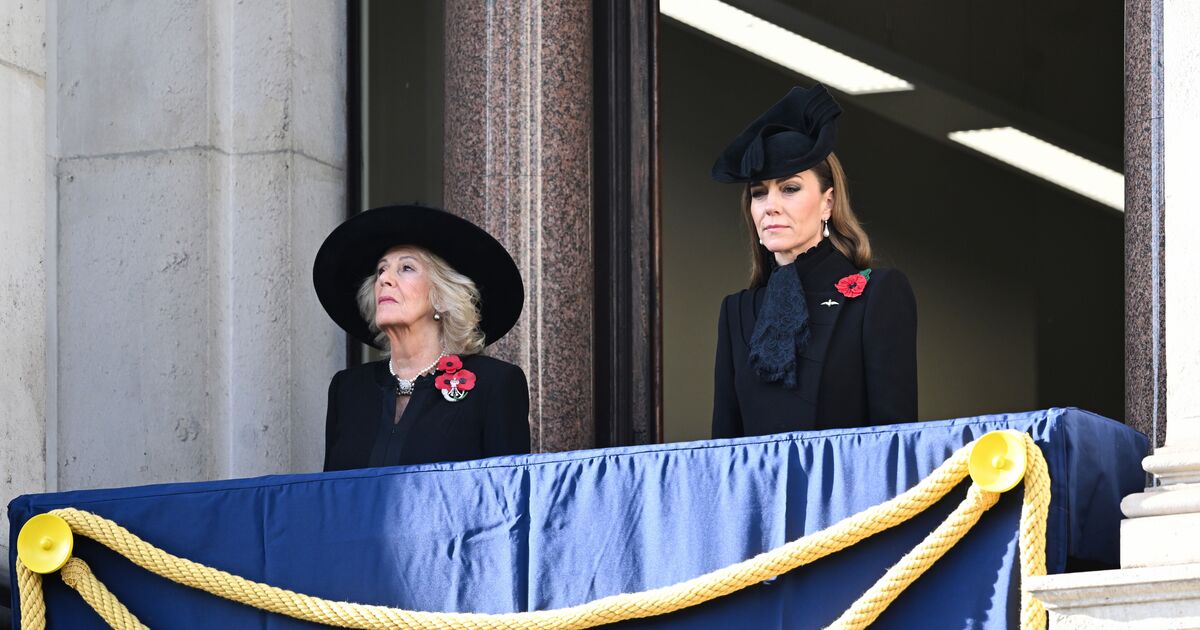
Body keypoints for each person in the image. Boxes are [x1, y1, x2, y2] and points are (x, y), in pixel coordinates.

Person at [709, 84, 917, 438]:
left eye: (790, 189)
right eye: (759, 193)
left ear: (828, 203)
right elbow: (725, 450)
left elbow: (895, 443)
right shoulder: (736, 312)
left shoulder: (877, 294)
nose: (770, 205)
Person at [313, 204, 530, 470]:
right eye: (381, 270)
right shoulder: (347, 390)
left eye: (406, 268)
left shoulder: (495, 385)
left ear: (441, 296)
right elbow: (329, 498)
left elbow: (508, 499)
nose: (385, 279)